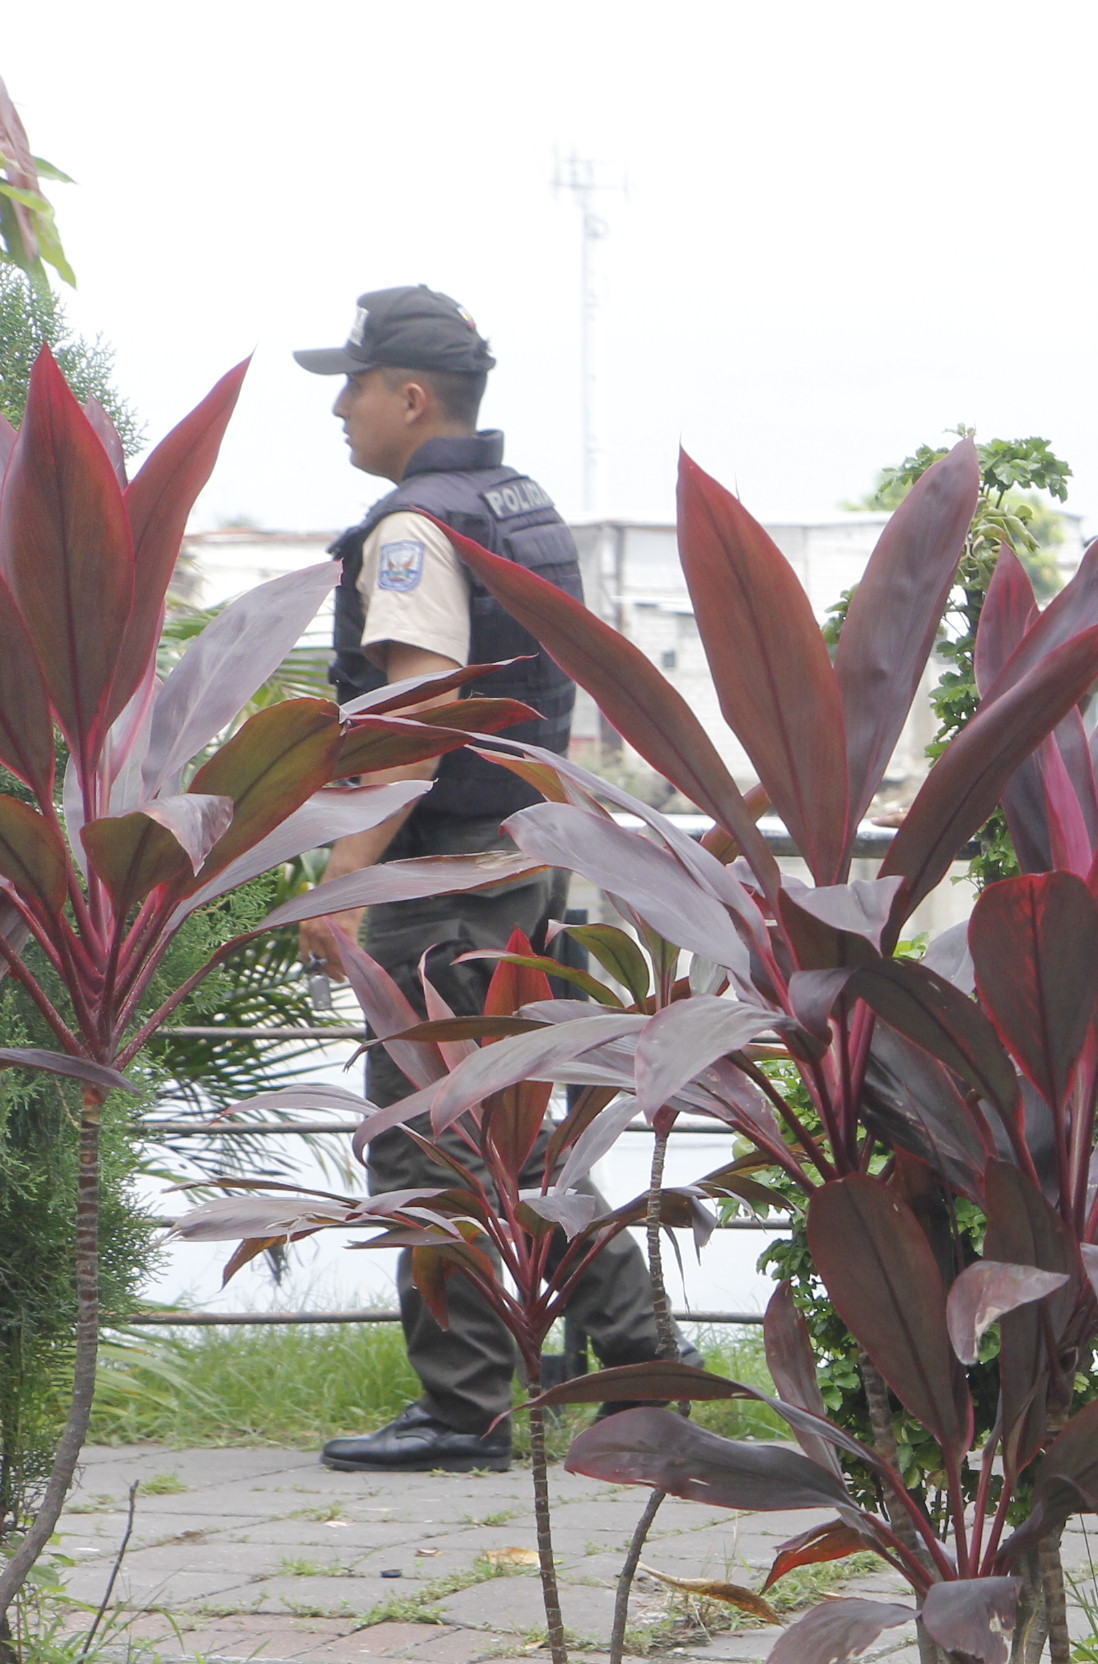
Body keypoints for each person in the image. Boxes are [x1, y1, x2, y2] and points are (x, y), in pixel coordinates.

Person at [295, 286, 680, 1474]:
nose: (340, 413)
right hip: (522, 856)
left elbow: (414, 720)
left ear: (410, 397)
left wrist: (344, 882)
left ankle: (464, 1413)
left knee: (431, 1139)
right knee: (520, 1136)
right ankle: (636, 1371)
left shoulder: (413, 530)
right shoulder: (519, 504)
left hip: (442, 878)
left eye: (351, 387)